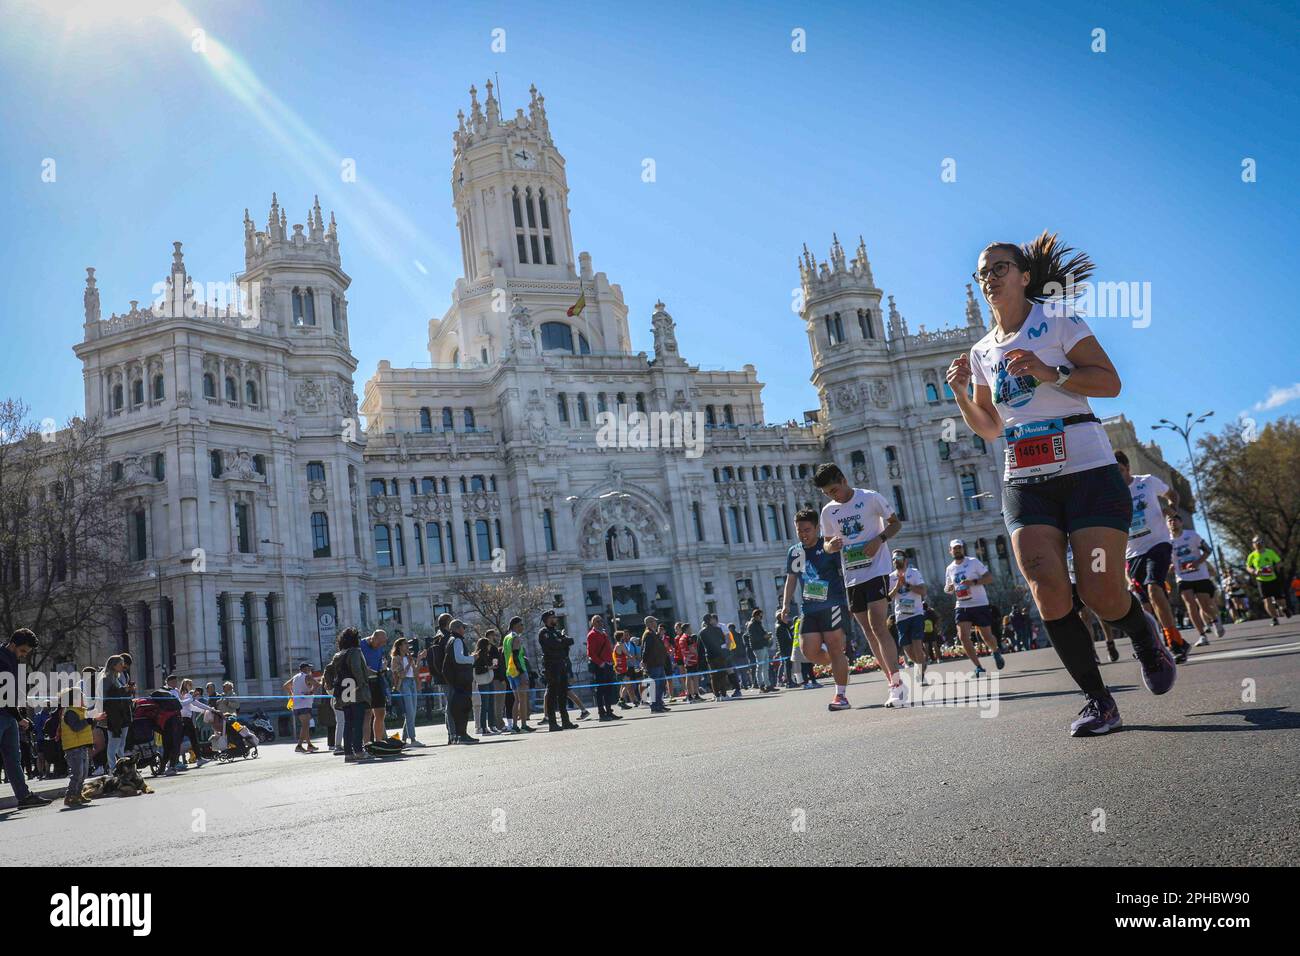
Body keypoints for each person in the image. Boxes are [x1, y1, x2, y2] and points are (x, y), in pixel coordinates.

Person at [948, 231, 1175, 736]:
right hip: (1025, 479)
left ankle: (1143, 634)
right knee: (1046, 587)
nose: (990, 279)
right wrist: (963, 392)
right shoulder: (983, 349)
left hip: (1087, 471)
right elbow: (990, 426)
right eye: (983, 272)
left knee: (1100, 592)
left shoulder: (1057, 321)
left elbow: (1109, 382)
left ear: (1025, 276)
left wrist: (1052, 373)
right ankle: (1099, 702)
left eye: (999, 268)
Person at [813, 463, 909, 707]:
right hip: (852, 576)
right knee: (868, 632)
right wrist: (830, 546)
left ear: (844, 480)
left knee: (878, 625)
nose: (832, 496)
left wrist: (879, 539)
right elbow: (825, 543)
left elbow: (895, 523)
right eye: (827, 494)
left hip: (877, 569)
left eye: (834, 490)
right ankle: (893, 680)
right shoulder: (828, 512)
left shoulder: (870, 498)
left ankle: (896, 685)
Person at [1115, 452, 1190, 662]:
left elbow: (1172, 494)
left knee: (1154, 587)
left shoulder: (1147, 482)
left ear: (1127, 468)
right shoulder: (1112, 493)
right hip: (1132, 552)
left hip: (1158, 544)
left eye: (1120, 470)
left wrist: (1172, 510)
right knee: (1143, 604)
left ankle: (1174, 641)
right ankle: (1158, 643)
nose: (1117, 476)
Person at [779, 508, 854, 711]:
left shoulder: (827, 545)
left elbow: (845, 570)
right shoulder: (796, 551)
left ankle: (841, 695)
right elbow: (792, 578)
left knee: (834, 646)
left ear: (817, 528)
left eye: (807, 530)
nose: (803, 534)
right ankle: (840, 660)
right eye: (799, 530)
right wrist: (785, 605)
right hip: (809, 608)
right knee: (809, 652)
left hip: (833, 604)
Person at [944, 538, 1005, 675]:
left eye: (959, 547)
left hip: (979, 604)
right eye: (954, 548)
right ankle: (978, 667)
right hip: (962, 605)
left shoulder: (973, 562)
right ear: (950, 551)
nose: (957, 550)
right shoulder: (950, 568)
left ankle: (995, 652)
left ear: (963, 549)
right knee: (963, 636)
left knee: (987, 636)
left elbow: (989, 578)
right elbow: (948, 588)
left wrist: (974, 582)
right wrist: (949, 588)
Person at [1168, 515, 1224, 646]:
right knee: (1190, 605)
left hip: (1200, 575)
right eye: (1169, 521)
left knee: (1204, 605)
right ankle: (1202, 635)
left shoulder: (1192, 535)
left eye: (1175, 520)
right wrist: (1169, 566)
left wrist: (1198, 562)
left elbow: (1208, 550)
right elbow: (1166, 559)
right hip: (1182, 577)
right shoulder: (1166, 541)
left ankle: (1215, 620)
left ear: (1181, 522)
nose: (1172, 523)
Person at [329, 627, 372, 763]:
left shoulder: (338, 655)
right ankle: (358, 751)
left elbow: (330, 670)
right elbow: (357, 669)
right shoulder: (355, 652)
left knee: (348, 722)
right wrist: (363, 684)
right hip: (356, 690)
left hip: (344, 690)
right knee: (358, 722)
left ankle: (348, 753)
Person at [888, 550, 930, 682]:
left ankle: (920, 675)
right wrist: (897, 586)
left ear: (905, 560)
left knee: (917, 645)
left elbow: (923, 591)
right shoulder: (890, 577)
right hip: (901, 616)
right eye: (894, 559)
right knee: (907, 649)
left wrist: (907, 585)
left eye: (899, 558)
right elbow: (888, 598)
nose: (896, 561)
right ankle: (922, 663)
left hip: (916, 613)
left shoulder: (914, 573)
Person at [538, 611, 576, 732]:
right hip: (551, 666)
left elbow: (570, 641)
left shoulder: (556, 632)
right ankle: (552, 723)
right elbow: (553, 645)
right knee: (552, 694)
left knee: (563, 693)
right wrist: (561, 641)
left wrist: (561, 641)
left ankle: (565, 721)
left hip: (561, 664)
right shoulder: (544, 632)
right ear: (547, 620)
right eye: (553, 617)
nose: (555, 619)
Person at [58, 686, 93, 808]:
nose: (84, 699)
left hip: (81, 746)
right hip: (73, 748)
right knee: (77, 773)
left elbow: (87, 728)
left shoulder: (80, 711)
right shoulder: (70, 712)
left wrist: (94, 720)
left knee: (83, 774)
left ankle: (78, 794)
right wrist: (88, 721)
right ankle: (70, 796)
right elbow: (76, 727)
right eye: (82, 697)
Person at [444, 620, 478, 744]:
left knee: (459, 708)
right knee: (463, 707)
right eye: (463, 627)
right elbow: (459, 659)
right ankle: (462, 735)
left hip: (456, 680)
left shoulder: (451, 640)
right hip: (461, 680)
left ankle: (460, 735)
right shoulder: (457, 640)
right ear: (458, 628)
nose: (464, 629)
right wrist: (472, 658)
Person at [1246, 535, 1289, 626]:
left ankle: (1284, 608)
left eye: (1260, 542)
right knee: (1267, 600)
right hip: (1261, 581)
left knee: (1280, 600)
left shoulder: (1270, 552)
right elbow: (1248, 567)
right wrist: (1254, 571)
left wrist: (1274, 567)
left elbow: (1279, 562)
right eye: (1256, 542)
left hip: (1273, 579)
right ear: (1253, 544)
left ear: (1263, 543)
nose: (1258, 544)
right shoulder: (1252, 556)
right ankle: (1274, 618)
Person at [100, 654, 132, 772]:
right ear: (113, 665)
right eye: (120, 664)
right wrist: (124, 690)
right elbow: (107, 697)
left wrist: (127, 691)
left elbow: (119, 694)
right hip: (114, 716)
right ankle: (113, 769)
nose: (122, 666)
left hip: (122, 714)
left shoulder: (117, 678)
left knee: (121, 742)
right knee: (114, 743)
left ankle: (122, 766)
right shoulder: (106, 679)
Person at [503, 617, 535, 733]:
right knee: (523, 699)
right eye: (521, 624)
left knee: (516, 700)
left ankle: (515, 726)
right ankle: (524, 725)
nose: (523, 627)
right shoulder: (515, 637)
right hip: (518, 670)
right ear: (516, 625)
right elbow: (516, 656)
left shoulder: (506, 637)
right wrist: (522, 672)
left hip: (509, 671)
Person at [358, 629, 390, 744]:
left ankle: (379, 741)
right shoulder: (360, 645)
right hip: (365, 683)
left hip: (377, 680)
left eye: (383, 643)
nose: (381, 646)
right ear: (373, 638)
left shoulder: (380, 647)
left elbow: (379, 662)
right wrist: (369, 671)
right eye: (380, 643)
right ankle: (366, 743)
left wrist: (383, 667)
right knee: (367, 714)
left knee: (381, 712)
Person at [586, 615, 620, 721]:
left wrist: (612, 662)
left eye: (600, 621)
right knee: (600, 691)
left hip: (608, 665)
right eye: (597, 621)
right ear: (593, 623)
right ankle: (602, 714)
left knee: (609, 690)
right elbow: (590, 652)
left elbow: (609, 649)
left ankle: (609, 711)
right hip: (599, 666)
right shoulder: (591, 635)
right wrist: (600, 663)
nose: (600, 623)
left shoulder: (604, 633)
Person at [389, 638, 423, 746]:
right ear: (399, 646)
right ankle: (412, 739)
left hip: (412, 682)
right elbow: (401, 674)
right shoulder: (396, 658)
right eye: (405, 644)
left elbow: (415, 671)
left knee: (412, 712)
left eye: (407, 644)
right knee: (410, 711)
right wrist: (408, 663)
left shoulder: (409, 657)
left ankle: (404, 739)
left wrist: (419, 659)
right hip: (404, 683)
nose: (407, 646)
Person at [284, 661, 320, 753]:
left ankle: (309, 745)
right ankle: (299, 745)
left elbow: (286, 686)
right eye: (309, 668)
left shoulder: (295, 677)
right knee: (305, 725)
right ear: (305, 669)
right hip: (305, 704)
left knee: (305, 725)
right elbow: (317, 684)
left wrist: (292, 694)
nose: (310, 670)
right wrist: (310, 692)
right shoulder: (307, 676)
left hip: (296, 705)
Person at [697, 614, 733, 702]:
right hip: (719, 654)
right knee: (722, 674)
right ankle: (723, 694)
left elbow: (700, 647)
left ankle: (716, 695)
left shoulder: (701, 632)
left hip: (709, 655)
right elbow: (723, 640)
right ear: (710, 620)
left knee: (713, 676)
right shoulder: (717, 629)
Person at [639, 618, 671, 714]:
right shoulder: (648, 634)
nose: (656, 623)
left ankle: (659, 704)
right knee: (654, 686)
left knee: (661, 685)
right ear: (649, 623)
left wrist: (659, 635)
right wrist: (644, 661)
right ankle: (655, 706)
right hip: (653, 664)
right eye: (654, 621)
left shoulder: (653, 634)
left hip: (659, 663)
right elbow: (645, 649)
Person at [473, 633, 501, 737]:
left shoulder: (488, 655)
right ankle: (483, 727)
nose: (490, 647)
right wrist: (488, 668)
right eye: (488, 645)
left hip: (489, 680)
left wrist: (493, 665)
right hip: (483, 682)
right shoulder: (478, 656)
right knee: (484, 705)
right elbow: (478, 670)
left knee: (491, 704)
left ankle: (492, 725)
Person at [746, 609, 776, 692]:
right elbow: (753, 638)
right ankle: (761, 685)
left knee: (766, 667)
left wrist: (767, 635)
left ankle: (768, 684)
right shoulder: (751, 625)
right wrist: (764, 636)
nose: (761, 618)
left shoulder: (758, 624)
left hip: (763, 646)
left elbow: (762, 633)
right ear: (755, 616)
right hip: (758, 647)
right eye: (760, 616)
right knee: (760, 667)